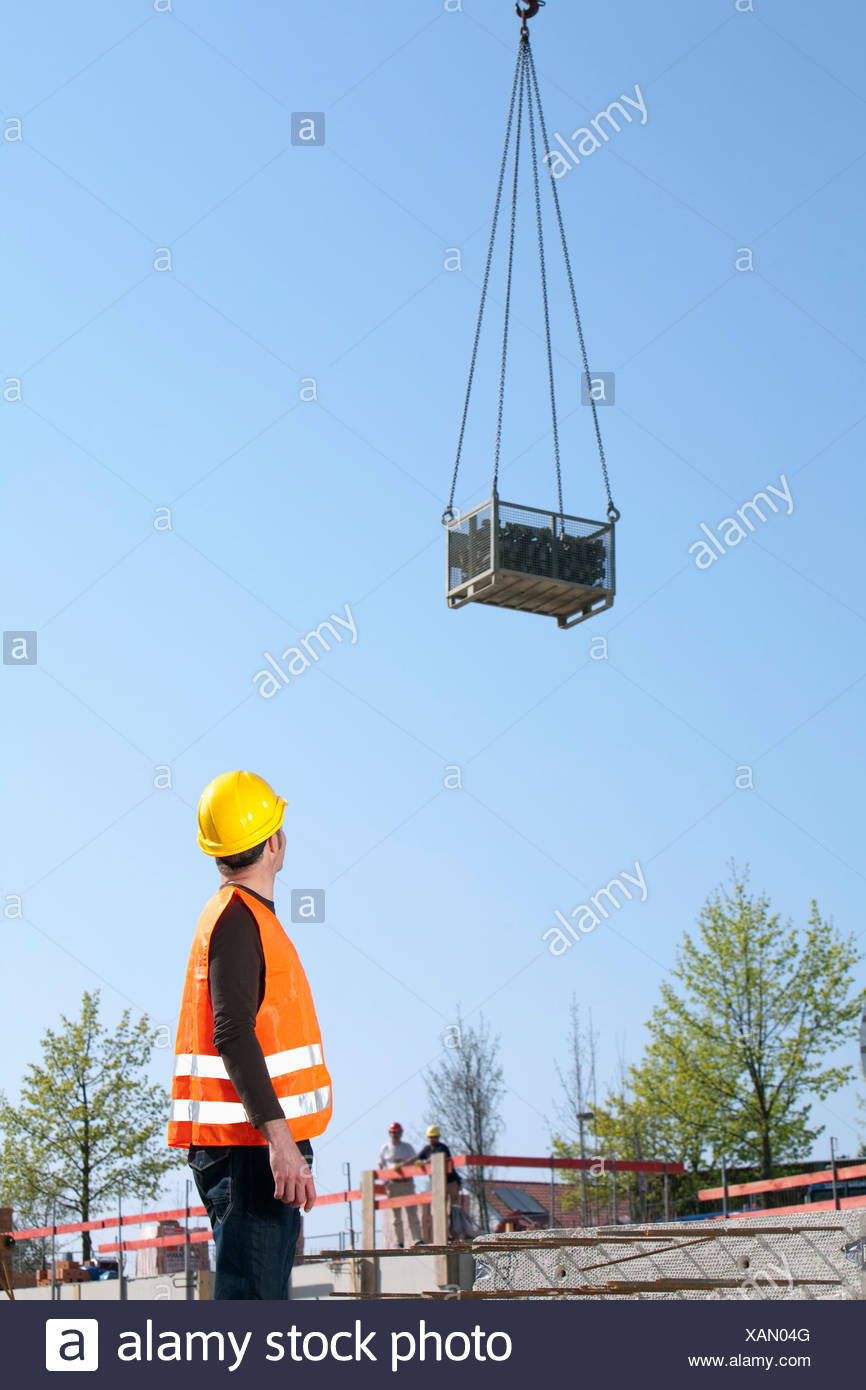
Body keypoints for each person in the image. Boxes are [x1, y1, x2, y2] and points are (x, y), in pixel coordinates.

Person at [167, 771, 333, 1299]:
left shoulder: (244, 918)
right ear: (273, 842)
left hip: (255, 1145)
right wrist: (281, 1142)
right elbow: (233, 1033)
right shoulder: (238, 921)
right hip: (251, 1149)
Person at [408, 1125, 465, 1238]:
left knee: (452, 1209)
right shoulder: (427, 1149)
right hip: (438, 1183)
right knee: (440, 1209)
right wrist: (404, 1164)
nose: (432, 1139)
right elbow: (416, 1157)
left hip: (451, 1182)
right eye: (430, 1137)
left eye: (434, 1137)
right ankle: (444, 1235)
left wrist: (426, 1162)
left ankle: (455, 1233)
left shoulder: (442, 1147)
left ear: (438, 1137)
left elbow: (440, 1157)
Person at [377, 1122, 423, 1248]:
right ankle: (399, 1241)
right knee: (395, 1216)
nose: (395, 1135)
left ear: (401, 1133)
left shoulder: (407, 1148)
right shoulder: (385, 1149)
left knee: (412, 1213)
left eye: (397, 1132)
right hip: (392, 1184)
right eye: (393, 1132)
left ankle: (417, 1239)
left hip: (406, 1182)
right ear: (389, 1134)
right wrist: (384, 1179)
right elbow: (380, 1164)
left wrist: (403, 1162)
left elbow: (415, 1161)